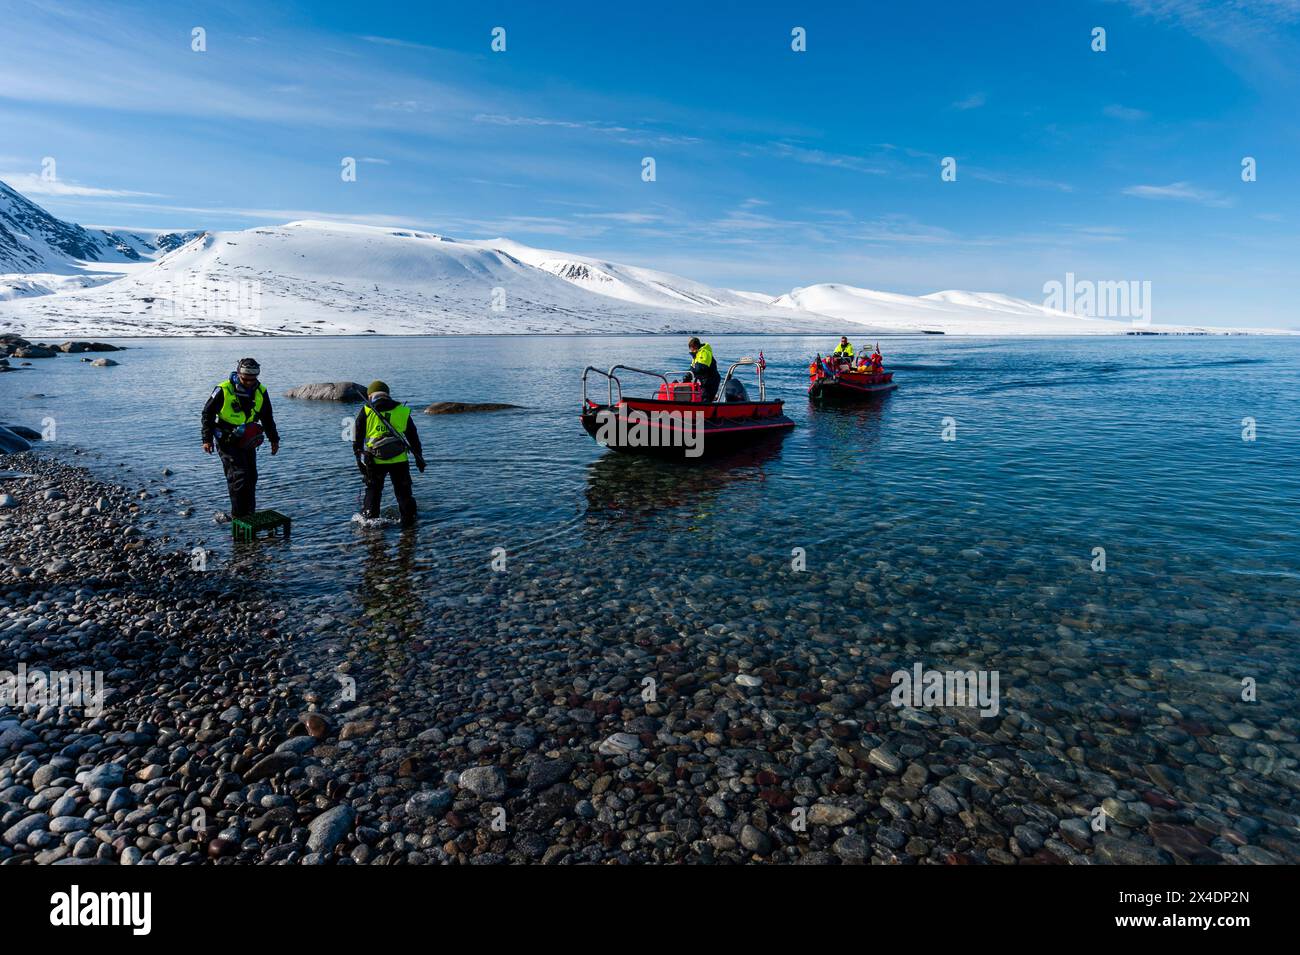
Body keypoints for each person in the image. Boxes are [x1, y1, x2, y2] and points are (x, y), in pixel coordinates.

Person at [202, 358, 280, 518]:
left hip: (247, 441)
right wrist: (207, 439)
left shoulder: (261, 391)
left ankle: (249, 513)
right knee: (239, 477)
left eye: (253, 379)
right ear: (238, 373)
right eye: (246, 379)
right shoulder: (223, 389)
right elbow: (207, 414)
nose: (249, 383)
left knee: (251, 476)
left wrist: (274, 439)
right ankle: (238, 517)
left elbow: (267, 417)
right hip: (226, 440)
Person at [353, 380, 425, 527]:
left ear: (371, 395)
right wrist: (419, 457)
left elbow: (357, 438)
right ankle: (409, 522)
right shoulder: (402, 411)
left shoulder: (366, 410)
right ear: (387, 394)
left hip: (374, 461)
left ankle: (369, 523)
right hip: (399, 460)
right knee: (404, 493)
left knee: (373, 491)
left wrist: (358, 459)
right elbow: (413, 437)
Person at [684, 337, 721, 402]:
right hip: (704, 382)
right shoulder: (697, 355)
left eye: (691, 348)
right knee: (699, 397)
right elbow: (692, 367)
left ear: (694, 347)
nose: (690, 350)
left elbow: (701, 368)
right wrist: (687, 375)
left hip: (711, 381)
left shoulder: (704, 352)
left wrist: (691, 375)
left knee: (705, 399)